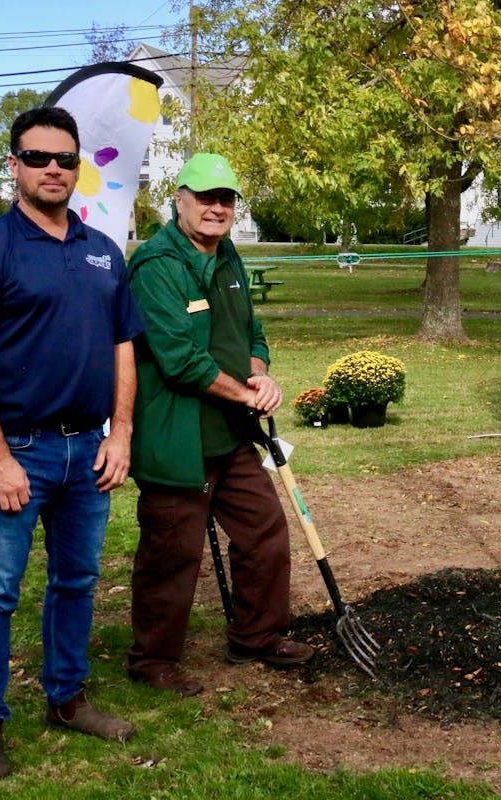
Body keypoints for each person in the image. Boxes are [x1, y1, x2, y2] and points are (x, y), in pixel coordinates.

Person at [0, 107, 143, 781]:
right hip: (20, 451)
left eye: (64, 158)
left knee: (77, 581)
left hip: (88, 450)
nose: (53, 169)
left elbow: (123, 348)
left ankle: (66, 698)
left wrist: (122, 435)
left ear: (78, 166)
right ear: (14, 166)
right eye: (38, 158)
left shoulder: (102, 251)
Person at [125, 153, 313, 697]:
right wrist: (245, 394)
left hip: (229, 435)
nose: (216, 208)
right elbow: (180, 360)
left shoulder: (227, 255)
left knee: (265, 532)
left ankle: (256, 635)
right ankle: (152, 660)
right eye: (205, 197)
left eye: (226, 199)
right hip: (176, 439)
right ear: (178, 199)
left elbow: (250, 333)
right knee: (171, 553)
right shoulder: (156, 265)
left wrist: (259, 375)